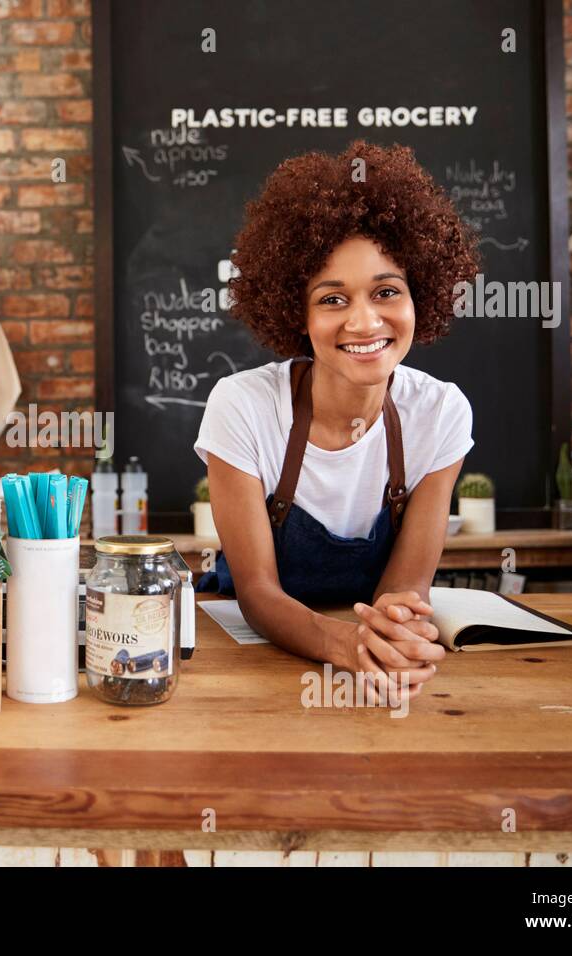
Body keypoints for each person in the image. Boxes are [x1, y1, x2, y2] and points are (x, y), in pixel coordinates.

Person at [194, 141, 479, 700]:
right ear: (296, 315)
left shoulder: (442, 413)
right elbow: (257, 593)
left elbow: (404, 588)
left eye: (386, 292)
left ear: (420, 296)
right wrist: (347, 646)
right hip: (245, 666)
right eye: (331, 299)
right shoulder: (243, 407)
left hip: (368, 669)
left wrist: (394, 638)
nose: (364, 320)